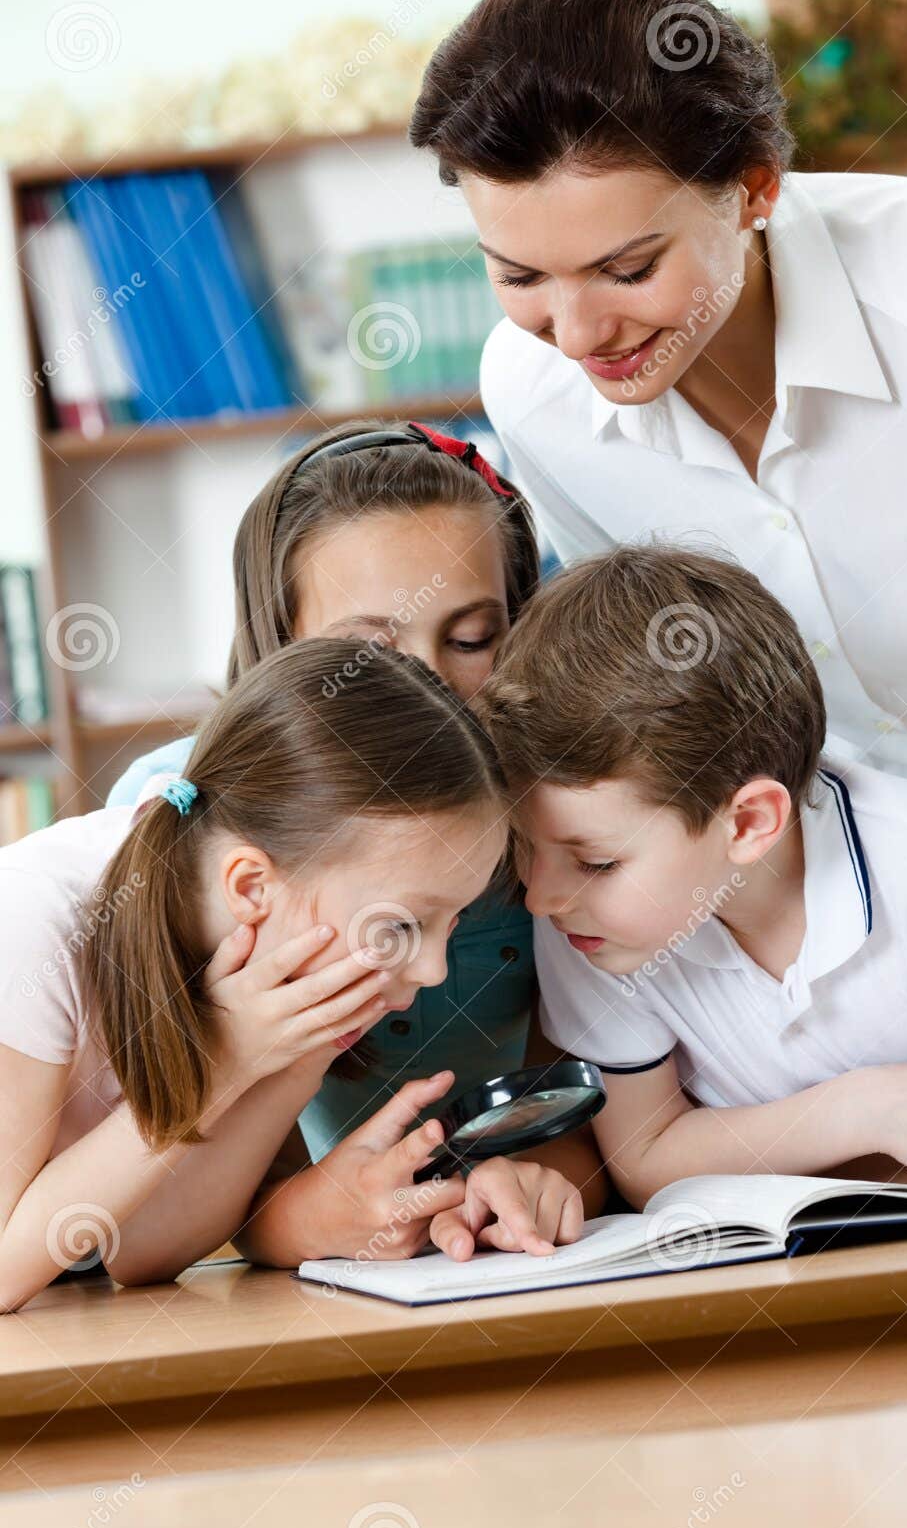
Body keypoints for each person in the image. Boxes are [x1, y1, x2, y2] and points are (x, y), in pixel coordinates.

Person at [410, 0, 907, 892]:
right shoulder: (530, 390)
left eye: (627, 269)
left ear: (754, 188)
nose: (579, 332)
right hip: (810, 841)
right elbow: (655, 676)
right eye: (519, 277)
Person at [106, 419, 605, 1229]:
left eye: (474, 638)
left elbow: (602, 1102)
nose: (433, 688)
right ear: (280, 650)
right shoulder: (181, 817)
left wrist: (525, 1178)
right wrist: (305, 1218)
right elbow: (146, 1200)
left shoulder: (561, 819)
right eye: (368, 654)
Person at [0, 638, 583, 1311]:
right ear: (250, 885)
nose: (430, 969)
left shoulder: (268, 982)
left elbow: (144, 1251)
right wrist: (220, 1067)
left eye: (450, 922)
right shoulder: (33, 925)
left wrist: (276, 1068)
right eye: (400, 925)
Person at [477, 544, 907, 1207]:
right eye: (523, 844)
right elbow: (642, 1165)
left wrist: (738, 1154)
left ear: (749, 823)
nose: (539, 896)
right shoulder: (591, 922)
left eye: (598, 862)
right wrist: (866, 1109)